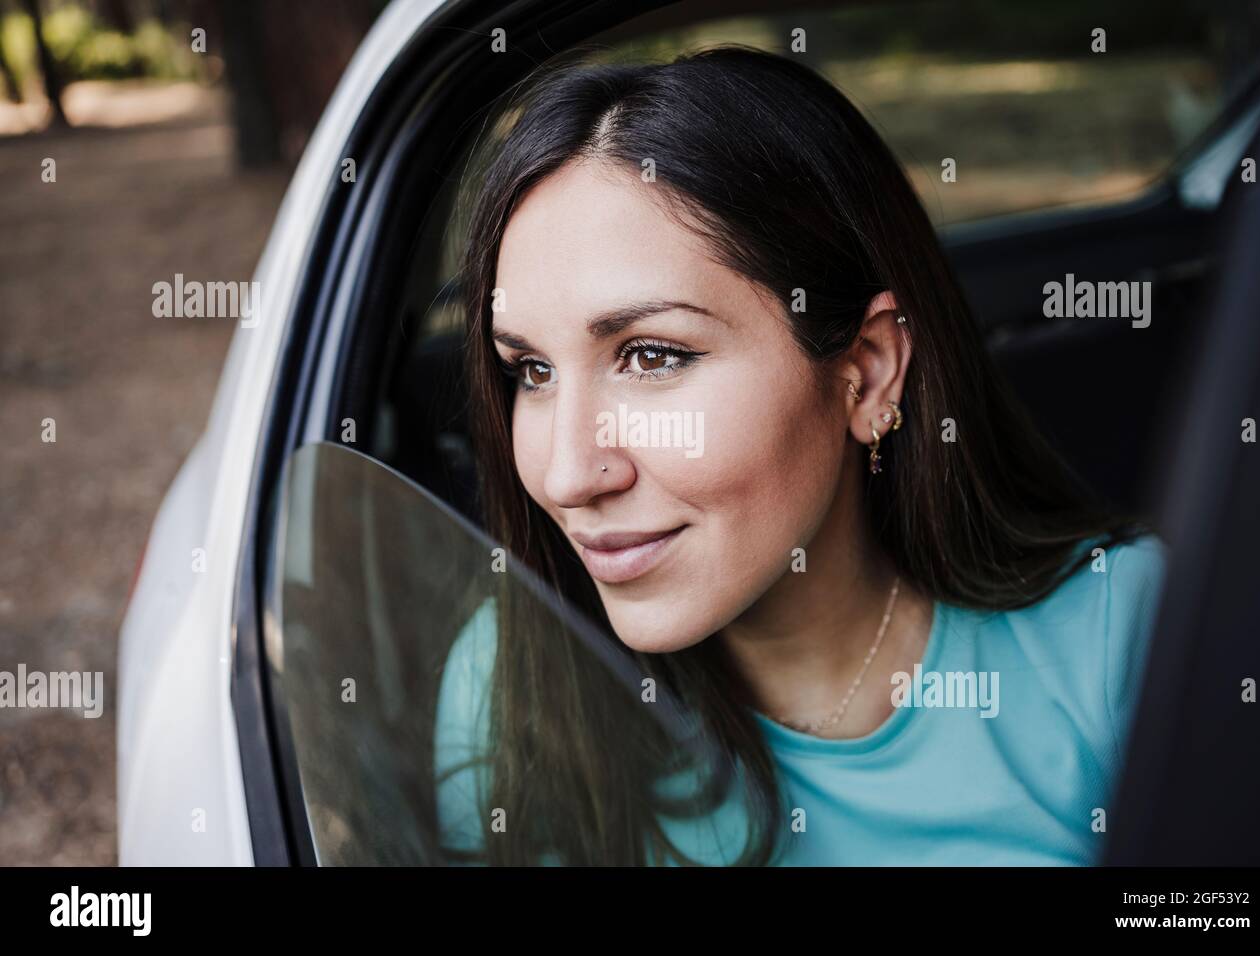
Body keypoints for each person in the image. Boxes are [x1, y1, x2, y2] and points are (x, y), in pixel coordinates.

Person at [433, 46, 1166, 866]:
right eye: (530, 371)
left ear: (867, 371)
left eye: (653, 356)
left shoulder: (1125, 638)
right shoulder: (509, 683)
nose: (567, 475)